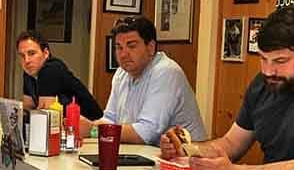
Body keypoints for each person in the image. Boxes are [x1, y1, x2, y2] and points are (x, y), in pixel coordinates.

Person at [160, 5, 294, 170]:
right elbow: (231, 144)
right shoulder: (264, 82)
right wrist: (186, 149)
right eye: (263, 59)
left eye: (280, 61)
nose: (268, 70)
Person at [86, 16, 206, 145]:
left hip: (186, 154)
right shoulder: (121, 73)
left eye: (131, 46)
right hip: (147, 152)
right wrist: (87, 127)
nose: (123, 54)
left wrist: (92, 129)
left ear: (150, 47)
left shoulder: (166, 71)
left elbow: (145, 133)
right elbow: (110, 119)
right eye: (119, 47)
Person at [17, 31, 102, 120]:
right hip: (66, 125)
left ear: (46, 53)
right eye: (22, 55)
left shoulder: (51, 69)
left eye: (32, 53)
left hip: (93, 125)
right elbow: (28, 107)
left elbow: (43, 116)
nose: (26, 60)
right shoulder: (29, 72)